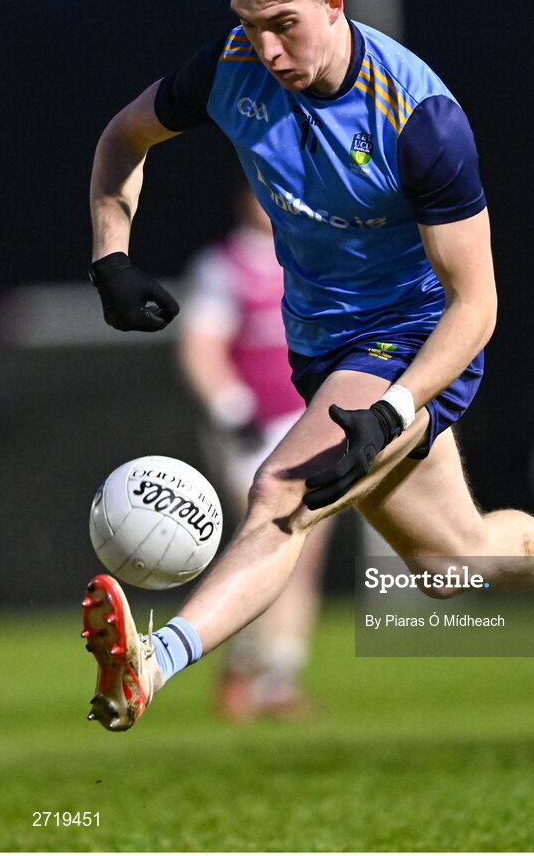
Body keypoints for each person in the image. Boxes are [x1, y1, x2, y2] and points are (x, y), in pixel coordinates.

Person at [83, 0, 534, 733]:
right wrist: (109, 256)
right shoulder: (229, 68)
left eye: (284, 25)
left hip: (410, 344)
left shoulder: (420, 118)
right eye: (250, 25)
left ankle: (157, 660)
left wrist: (394, 408)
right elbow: (124, 136)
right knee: (453, 562)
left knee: (280, 491)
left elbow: (479, 304)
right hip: (324, 350)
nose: (265, 49)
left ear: (334, 4)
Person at [178, 184, 331, 719]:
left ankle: (273, 674)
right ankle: (248, 663)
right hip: (253, 428)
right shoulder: (224, 266)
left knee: (301, 550)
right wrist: (231, 408)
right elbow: (201, 347)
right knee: (271, 540)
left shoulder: (314, 256)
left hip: (307, 422)